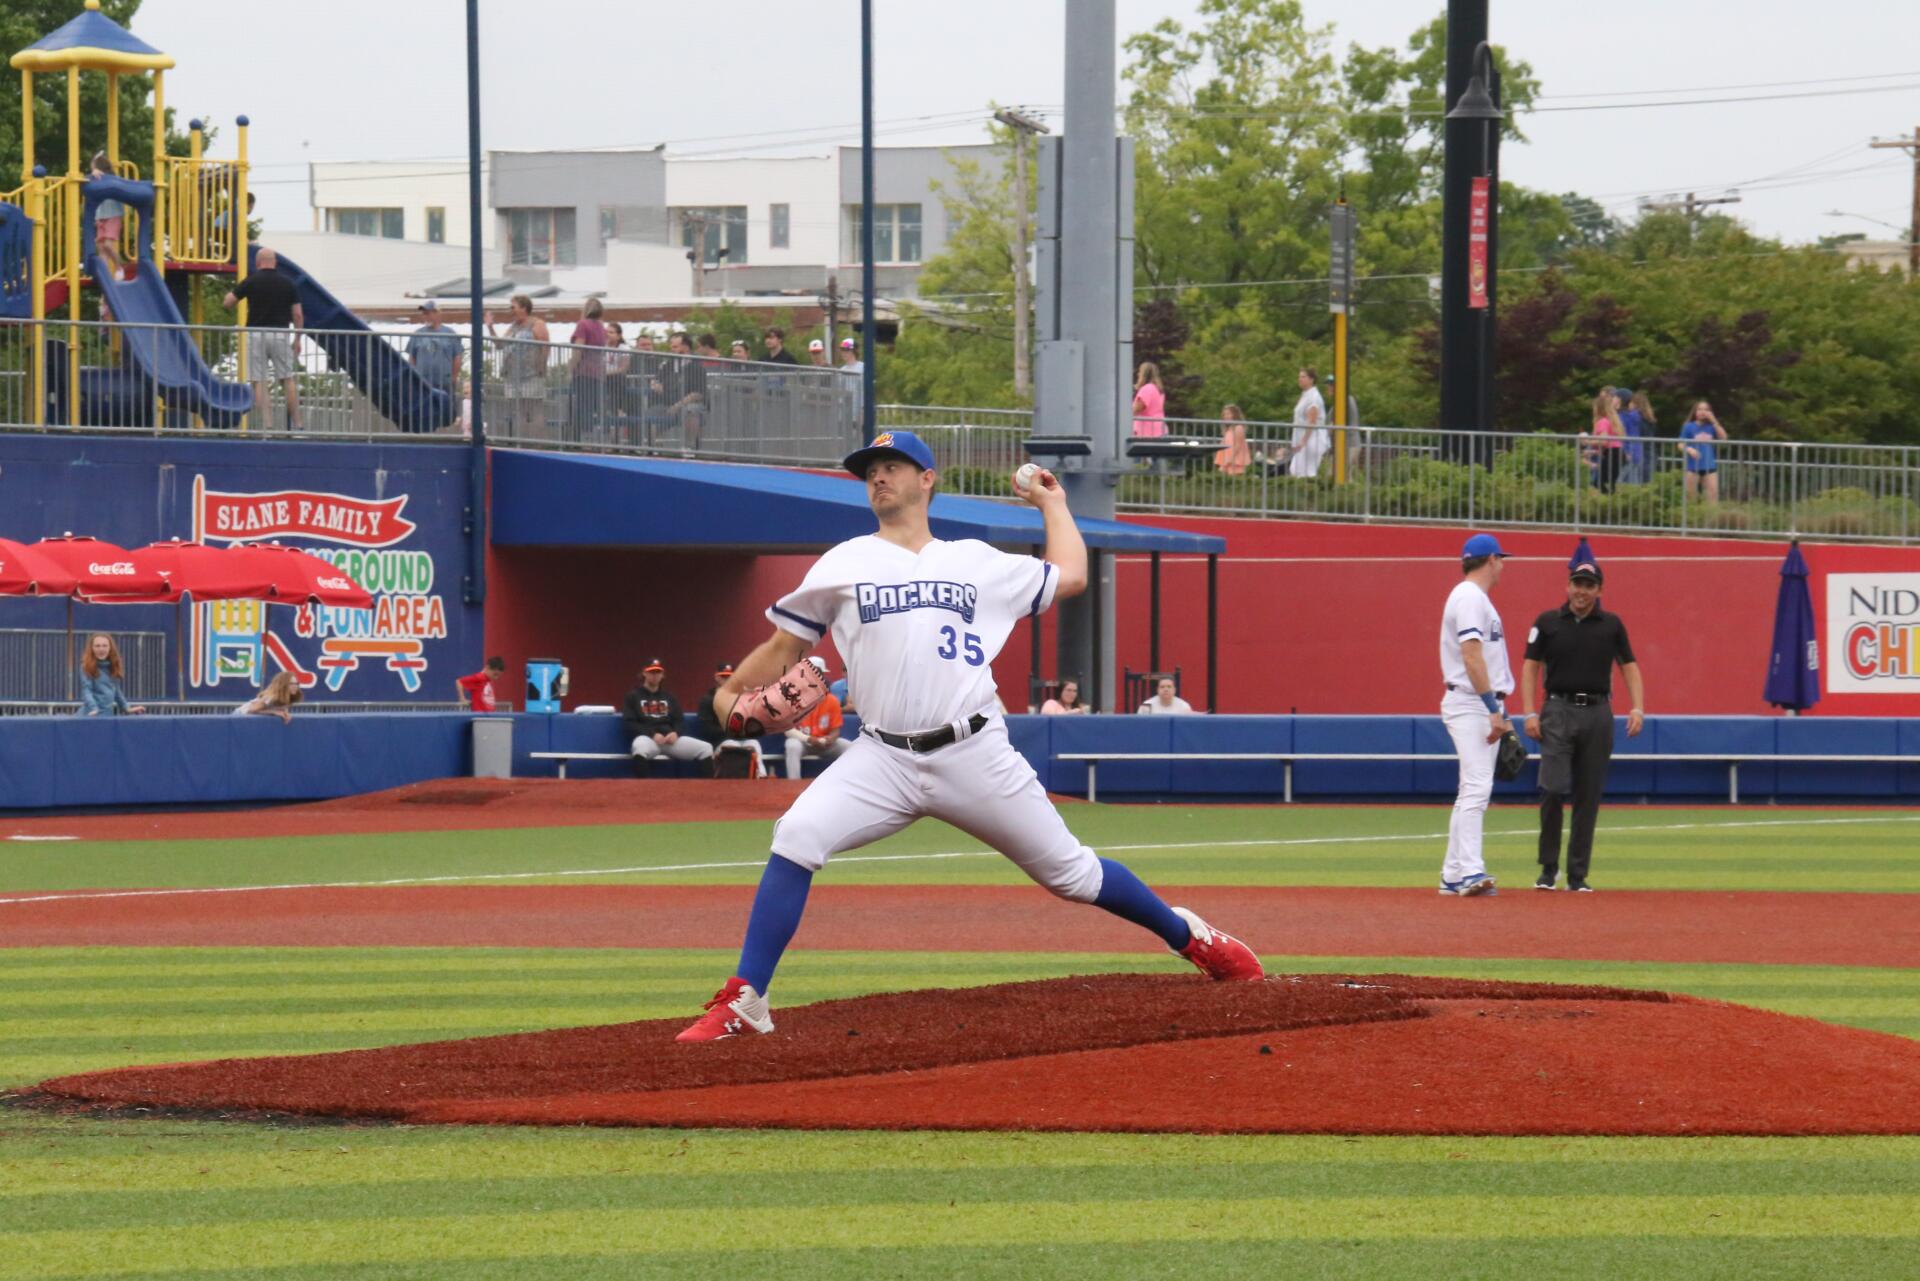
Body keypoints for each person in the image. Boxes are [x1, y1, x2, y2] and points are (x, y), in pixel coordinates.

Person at [674, 428, 1262, 1041]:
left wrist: (1053, 505)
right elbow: (784, 645)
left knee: (1074, 876)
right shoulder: (843, 562)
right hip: (882, 757)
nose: (879, 476)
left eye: (893, 466)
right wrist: (727, 692)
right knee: (797, 834)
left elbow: (1071, 576)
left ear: (928, 479)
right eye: (870, 469)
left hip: (974, 750)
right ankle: (747, 1001)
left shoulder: (975, 562)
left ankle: (1188, 934)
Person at [1520, 560, 1646, 892]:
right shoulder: (1547, 623)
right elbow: (1531, 667)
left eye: (1589, 585)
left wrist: (1637, 707)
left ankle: (1577, 875)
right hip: (1558, 709)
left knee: (1588, 795)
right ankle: (1548, 869)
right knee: (1552, 787)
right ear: (1567, 586)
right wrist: (1529, 712)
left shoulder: (1611, 625)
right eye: (1577, 583)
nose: (1581, 591)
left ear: (1599, 590)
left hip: (1597, 711)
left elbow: (1629, 665)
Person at [1438, 533, 1513, 897]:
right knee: (1476, 787)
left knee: (1471, 787)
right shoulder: (1469, 597)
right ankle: (1469, 871)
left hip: (1476, 701)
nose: (1503, 566)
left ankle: (1453, 874)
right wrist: (1493, 708)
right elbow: (1471, 656)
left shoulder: (1472, 597)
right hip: (1472, 702)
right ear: (1491, 559)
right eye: (1501, 559)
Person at [223, 247, 304, 432]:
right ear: (275, 262)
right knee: (287, 378)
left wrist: (228, 295)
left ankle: (267, 425)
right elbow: (298, 314)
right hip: (280, 333)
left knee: (259, 380)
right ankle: (298, 424)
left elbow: (228, 303)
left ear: (258, 263)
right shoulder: (288, 283)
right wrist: (297, 339)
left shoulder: (251, 281)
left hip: (256, 333)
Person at [625, 659, 715, 773]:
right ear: (644, 673)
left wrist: (676, 733)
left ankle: (708, 788)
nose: (655, 675)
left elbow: (680, 721)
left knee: (706, 748)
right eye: (652, 672)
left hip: (669, 740)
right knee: (639, 747)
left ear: (662, 675)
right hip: (648, 739)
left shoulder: (669, 697)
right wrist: (652, 734)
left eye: (658, 672)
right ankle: (642, 788)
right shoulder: (633, 696)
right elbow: (629, 723)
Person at [486, 294, 550, 438]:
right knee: (518, 411)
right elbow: (500, 344)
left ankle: (537, 442)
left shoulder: (537, 324)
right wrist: (490, 328)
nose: (511, 310)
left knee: (534, 409)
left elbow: (545, 346)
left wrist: (541, 365)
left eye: (513, 307)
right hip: (513, 376)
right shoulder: (513, 327)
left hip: (531, 374)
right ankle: (521, 441)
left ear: (524, 307)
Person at [695, 661, 767, 777]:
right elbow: (705, 728)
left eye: (729, 677)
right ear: (717, 677)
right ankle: (730, 782)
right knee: (731, 745)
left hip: (740, 739)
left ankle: (761, 777)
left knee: (754, 743)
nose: (727, 680)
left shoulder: (741, 698)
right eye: (724, 677)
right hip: (719, 742)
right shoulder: (708, 699)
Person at [406, 301, 463, 411]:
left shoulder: (450, 333)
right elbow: (412, 357)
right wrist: (413, 376)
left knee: (445, 411)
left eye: (428, 313)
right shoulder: (417, 334)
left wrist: (453, 377)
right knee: (423, 409)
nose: (425, 316)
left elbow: (457, 357)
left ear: (437, 313)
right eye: (424, 314)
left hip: (444, 382)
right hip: (422, 382)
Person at [783, 689, 851, 779]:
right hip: (803, 743)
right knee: (792, 745)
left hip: (825, 744)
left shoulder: (832, 700)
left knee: (848, 746)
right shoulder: (795, 701)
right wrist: (808, 739)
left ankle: (845, 782)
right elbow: (788, 730)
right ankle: (793, 784)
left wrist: (830, 739)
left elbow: (836, 731)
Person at [569, 299, 609, 440]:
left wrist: (571, 368)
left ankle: (583, 439)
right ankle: (598, 438)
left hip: (584, 372)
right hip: (598, 373)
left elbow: (579, 348)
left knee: (582, 407)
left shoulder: (583, 324)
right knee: (596, 406)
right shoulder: (602, 327)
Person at [77, 633, 145, 716]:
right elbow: (87, 690)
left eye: (104, 645)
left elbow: (116, 690)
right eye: (97, 646)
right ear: (92, 648)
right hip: (90, 714)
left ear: (110, 648)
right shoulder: (85, 666)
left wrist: (127, 708)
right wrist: (93, 708)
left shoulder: (113, 666)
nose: (101, 649)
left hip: (107, 715)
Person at [1681, 400, 1729, 504]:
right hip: (1693, 467)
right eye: (1700, 409)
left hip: (1709, 466)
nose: (1702, 412)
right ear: (1695, 411)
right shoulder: (1688, 426)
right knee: (1690, 499)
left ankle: (1710, 520)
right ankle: (1692, 520)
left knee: (1713, 497)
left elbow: (1724, 438)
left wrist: (1714, 421)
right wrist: (1689, 449)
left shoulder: (1711, 427)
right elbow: (1680, 444)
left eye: (1706, 409)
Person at [1285, 369, 1329, 478]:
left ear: (1311, 380)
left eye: (1303, 377)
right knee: (1295, 469)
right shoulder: (1305, 395)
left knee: (1308, 471)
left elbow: (1312, 421)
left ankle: (1310, 493)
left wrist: (1303, 441)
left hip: (1312, 439)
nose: (1300, 379)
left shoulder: (1313, 397)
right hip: (1303, 439)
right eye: (1299, 376)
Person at [88, 152, 125, 280]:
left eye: (93, 168)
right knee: (101, 248)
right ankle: (105, 277)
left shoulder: (113, 179)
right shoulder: (94, 179)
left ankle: (119, 267)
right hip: (100, 216)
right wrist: (93, 175)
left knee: (108, 245)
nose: (92, 170)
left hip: (113, 215)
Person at [1586, 388, 1625, 493]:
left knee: (1597, 482)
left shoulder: (1602, 422)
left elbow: (1604, 441)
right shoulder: (1611, 420)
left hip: (1612, 454)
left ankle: (1607, 501)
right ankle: (1610, 501)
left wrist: (1587, 442)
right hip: (1618, 453)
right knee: (1610, 483)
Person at [235, 671, 303, 724]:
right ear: (283, 685)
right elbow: (251, 710)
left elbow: (282, 708)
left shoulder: (289, 697)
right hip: (239, 715)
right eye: (291, 684)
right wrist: (273, 712)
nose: (295, 686)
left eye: (296, 683)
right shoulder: (270, 697)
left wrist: (285, 713)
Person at [1615, 388, 1651, 485]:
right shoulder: (1634, 415)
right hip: (1636, 452)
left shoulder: (1622, 416)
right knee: (1633, 484)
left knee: (1617, 482)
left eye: (1615, 397)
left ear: (1620, 399)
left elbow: (1623, 435)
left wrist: (1626, 451)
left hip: (1627, 453)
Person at [1131, 362, 1167, 437]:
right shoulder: (1158, 389)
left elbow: (1135, 410)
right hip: (1159, 429)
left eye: (1140, 372)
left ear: (1144, 375)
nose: (1138, 374)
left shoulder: (1147, 389)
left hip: (1147, 432)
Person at [1213, 404, 1251, 475]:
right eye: (1224, 414)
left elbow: (1238, 446)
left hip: (1235, 461)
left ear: (1235, 415)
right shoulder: (1229, 429)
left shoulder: (1238, 428)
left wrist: (1230, 460)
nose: (1225, 416)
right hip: (1227, 460)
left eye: (1228, 414)